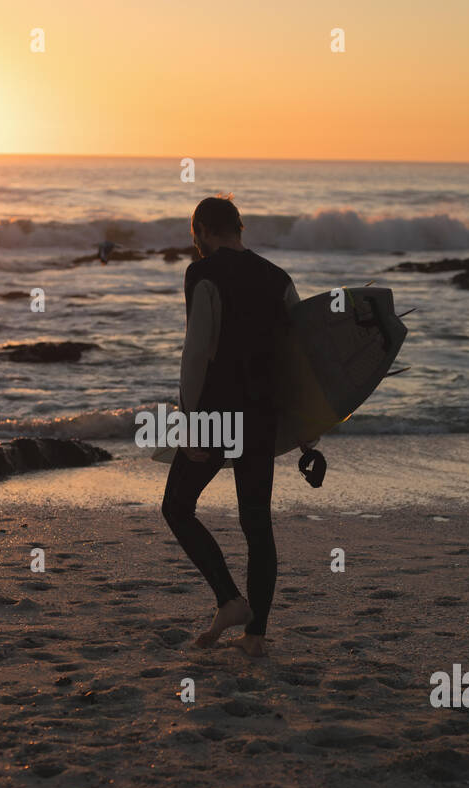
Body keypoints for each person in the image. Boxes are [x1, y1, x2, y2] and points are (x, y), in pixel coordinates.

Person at [160, 195, 301, 658]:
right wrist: (306, 427)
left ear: (201, 229)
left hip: (218, 413)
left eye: (194, 234)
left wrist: (188, 419)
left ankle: (229, 600)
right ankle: (255, 635)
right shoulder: (279, 279)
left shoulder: (202, 274)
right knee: (256, 522)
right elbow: (299, 358)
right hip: (264, 414)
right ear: (239, 228)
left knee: (177, 507)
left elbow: (197, 352)